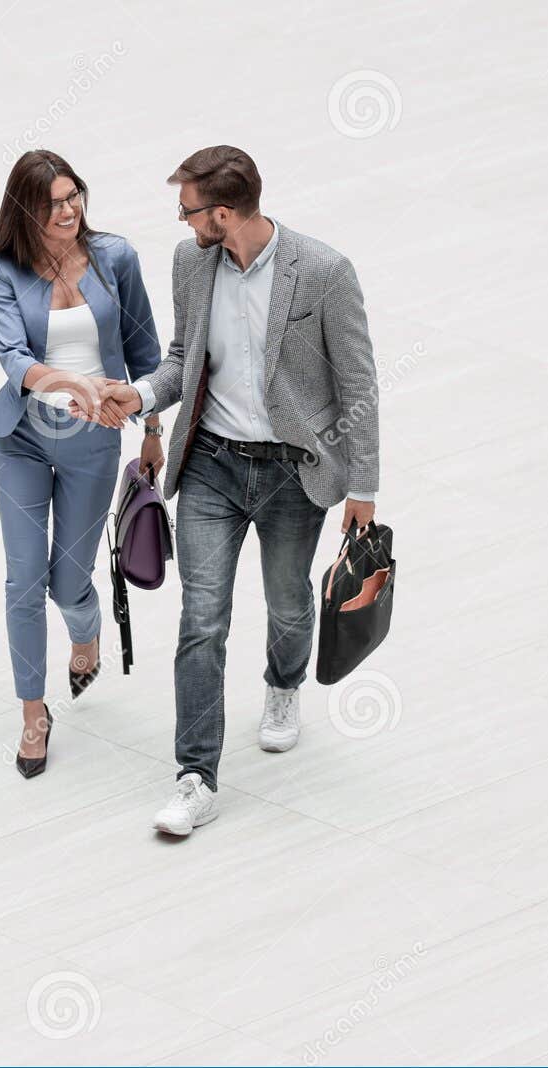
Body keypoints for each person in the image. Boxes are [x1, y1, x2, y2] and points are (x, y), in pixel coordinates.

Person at [86, 146, 381, 835]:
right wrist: (137, 396)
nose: (182, 222)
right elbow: (185, 358)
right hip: (213, 465)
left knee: (287, 602)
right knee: (203, 621)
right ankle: (196, 776)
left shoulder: (325, 272)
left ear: (223, 213)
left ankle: (284, 684)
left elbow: (360, 385)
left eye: (189, 210)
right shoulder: (193, 263)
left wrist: (364, 485)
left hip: (291, 471)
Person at [0, 150, 161, 778]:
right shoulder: (4, 268)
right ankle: (34, 713)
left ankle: (86, 633)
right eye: (51, 203)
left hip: (95, 443)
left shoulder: (115, 257)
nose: (66, 211)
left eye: (73, 196)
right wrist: (66, 383)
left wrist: (152, 430)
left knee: (69, 584)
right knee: (23, 583)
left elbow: (146, 352)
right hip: (23, 439)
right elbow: (10, 354)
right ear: (25, 211)